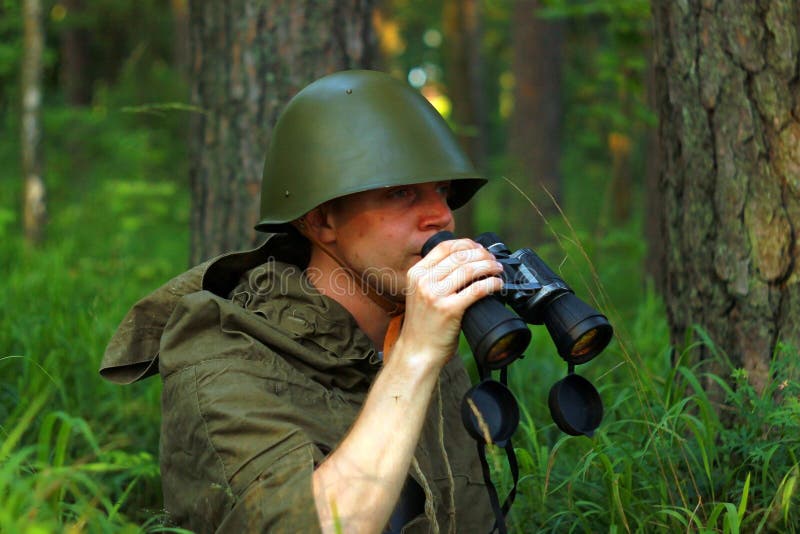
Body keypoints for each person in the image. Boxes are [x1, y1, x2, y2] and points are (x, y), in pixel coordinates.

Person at [101, 69, 500, 533]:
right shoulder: (222, 353)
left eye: (443, 192)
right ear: (322, 221)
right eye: (401, 193)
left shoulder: (418, 330)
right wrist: (413, 361)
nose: (442, 216)